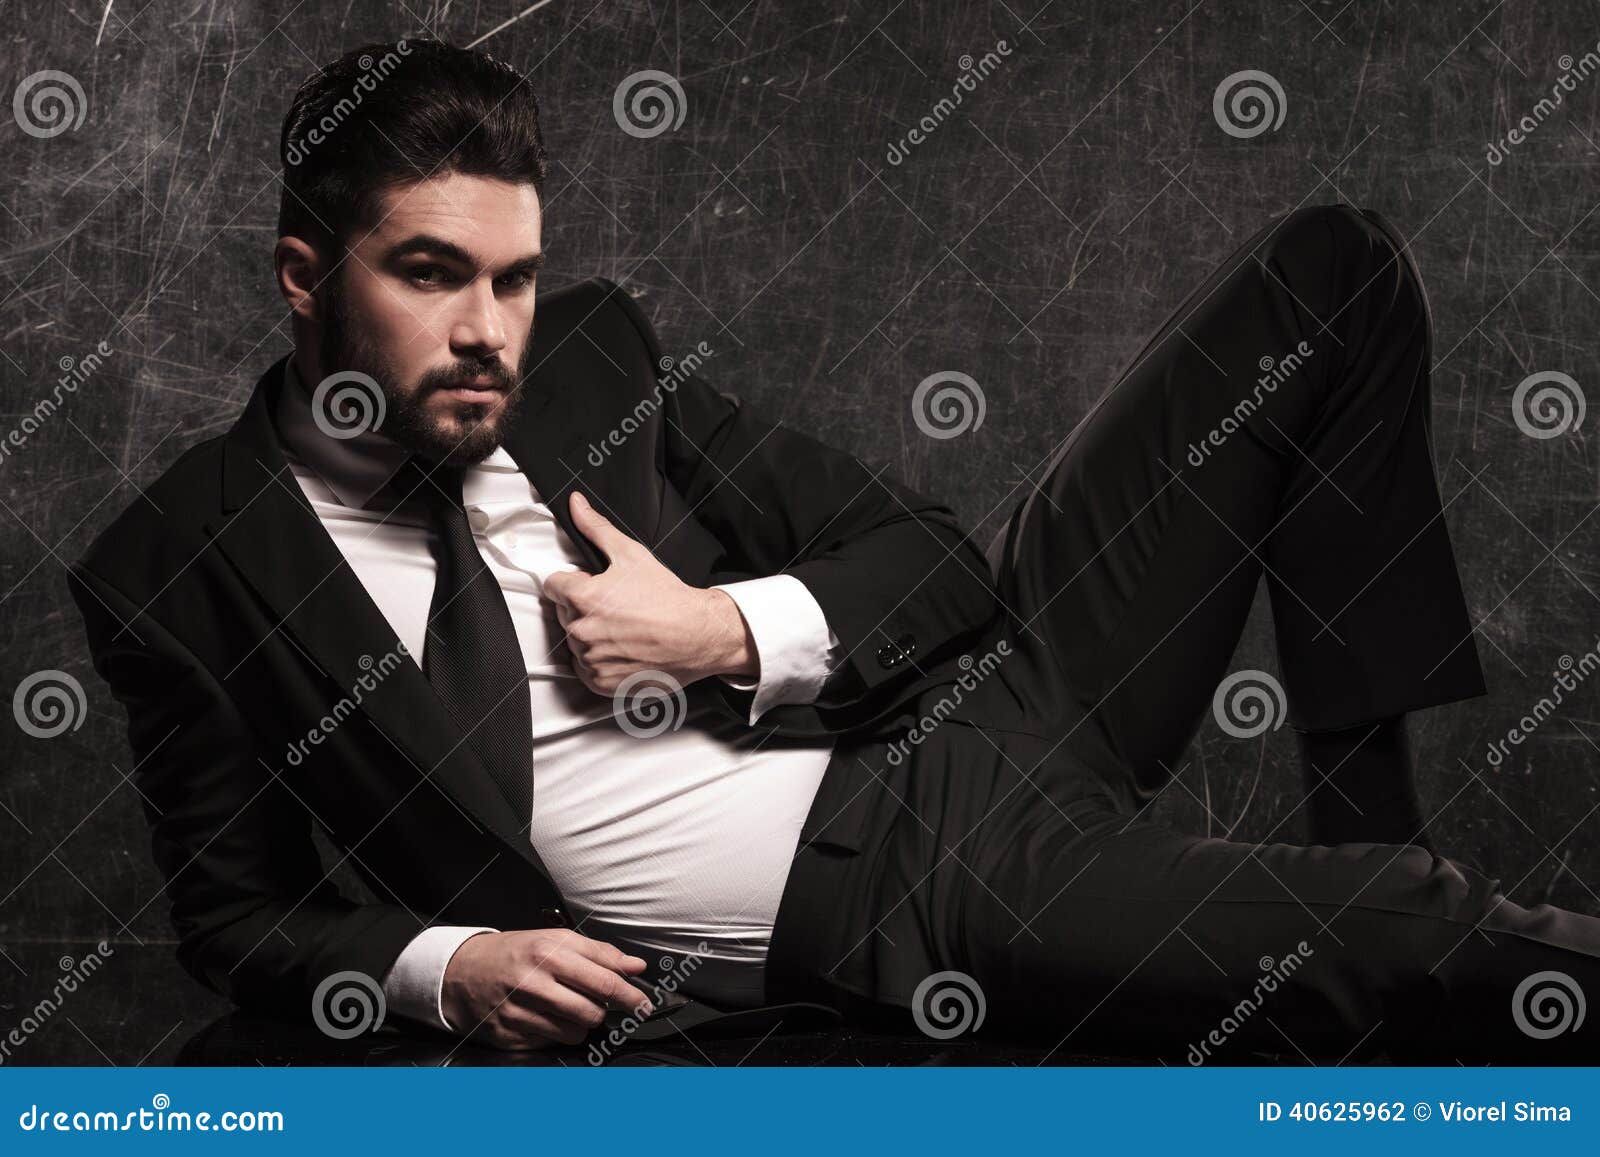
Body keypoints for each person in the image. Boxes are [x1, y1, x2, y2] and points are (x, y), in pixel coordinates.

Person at [69, 39, 1599, 1065]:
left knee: (1327, 277)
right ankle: (1396, 904)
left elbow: (926, 558)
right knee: (1407, 930)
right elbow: (240, 916)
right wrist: (447, 963)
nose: (490, 331)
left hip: (1000, 680)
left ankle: (1370, 817)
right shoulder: (187, 565)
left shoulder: (596, 360)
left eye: (514, 278)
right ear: (301, 278)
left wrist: (718, 632)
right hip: (902, 888)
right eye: (429, 276)